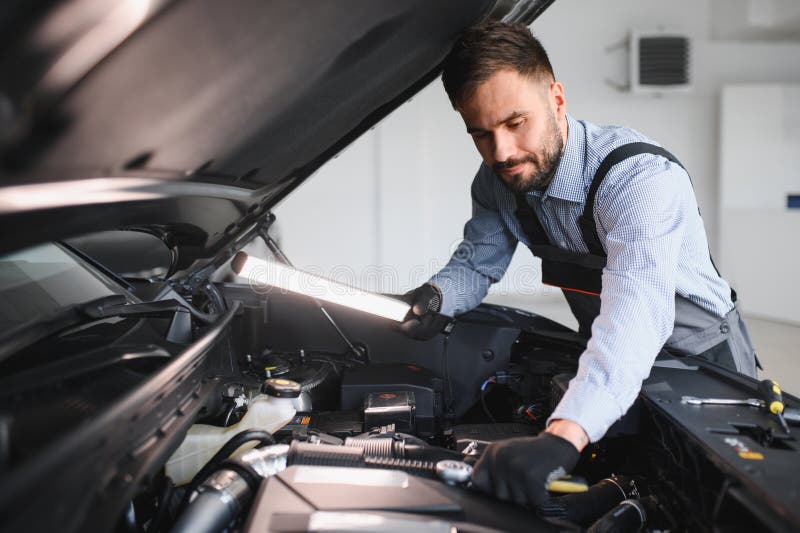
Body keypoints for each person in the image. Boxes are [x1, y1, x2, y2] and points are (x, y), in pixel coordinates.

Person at [398, 22, 757, 508]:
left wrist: (564, 436)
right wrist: (436, 298)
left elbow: (636, 316)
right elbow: (477, 263)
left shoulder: (638, 180)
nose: (501, 152)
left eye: (515, 123)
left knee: (710, 499)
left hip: (702, 360)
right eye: (481, 134)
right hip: (610, 352)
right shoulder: (498, 183)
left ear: (557, 99)